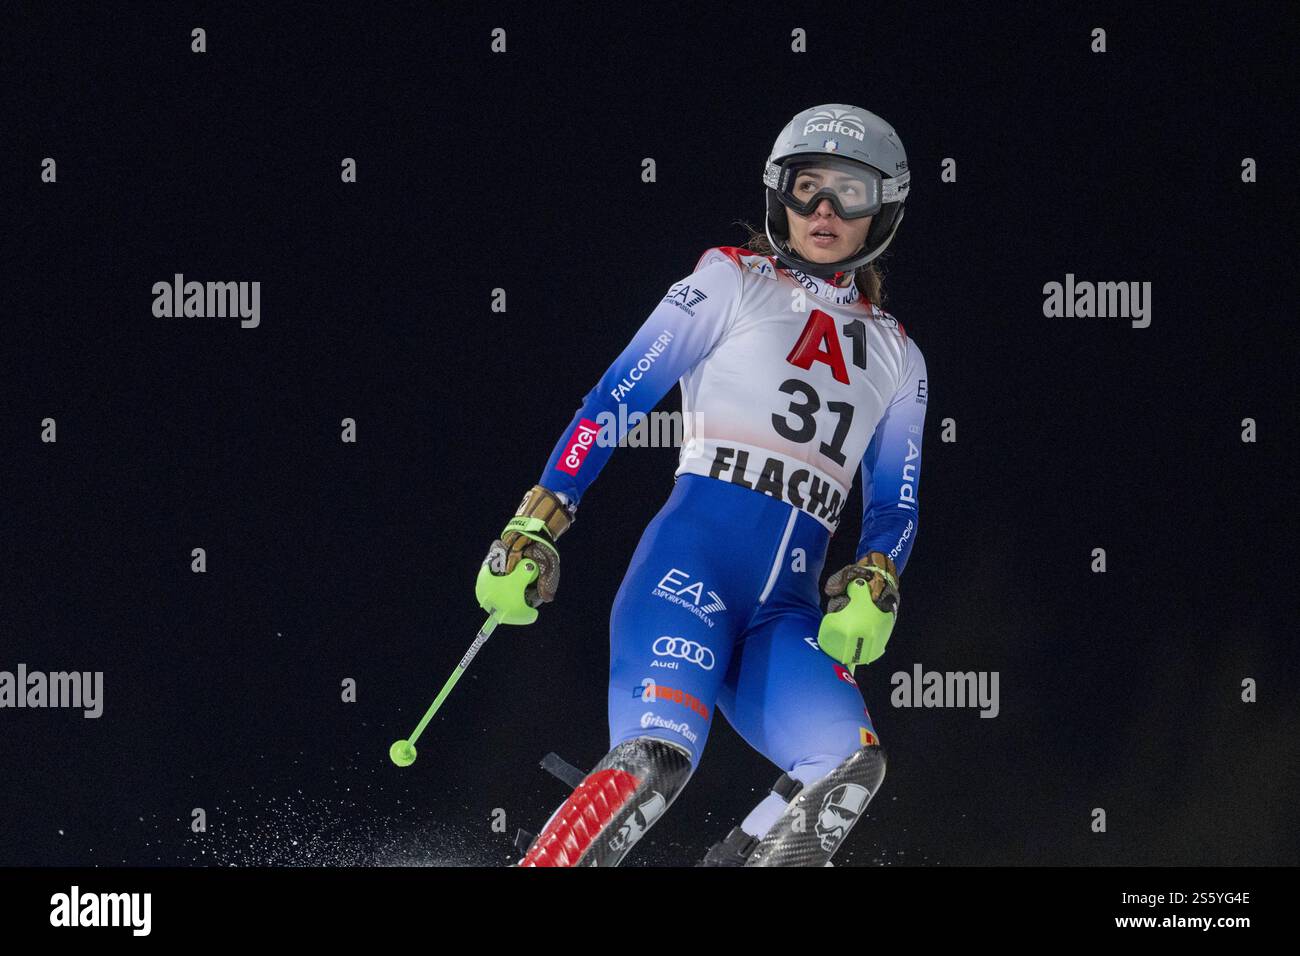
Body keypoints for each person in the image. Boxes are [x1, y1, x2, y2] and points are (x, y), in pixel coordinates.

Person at [476, 104, 926, 867]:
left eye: (849, 191)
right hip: (689, 574)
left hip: (783, 614)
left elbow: (895, 503)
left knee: (849, 766)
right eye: (805, 186)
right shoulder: (729, 279)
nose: (823, 210)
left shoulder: (899, 356)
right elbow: (617, 398)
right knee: (655, 763)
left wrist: (879, 575)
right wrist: (538, 518)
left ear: (882, 208)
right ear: (776, 197)